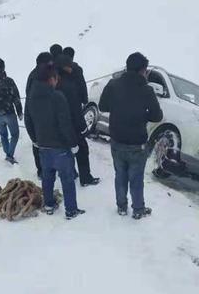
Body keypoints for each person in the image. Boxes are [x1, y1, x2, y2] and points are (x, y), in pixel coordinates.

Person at [99, 52, 163, 219]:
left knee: (120, 174)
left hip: (116, 140)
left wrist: (118, 108)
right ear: (143, 70)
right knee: (136, 178)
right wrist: (142, 115)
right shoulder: (147, 90)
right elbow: (157, 116)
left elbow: (102, 106)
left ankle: (121, 206)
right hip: (137, 143)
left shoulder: (113, 84)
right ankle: (138, 209)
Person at [24, 66, 85, 219]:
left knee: (47, 177)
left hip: (43, 145)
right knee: (67, 179)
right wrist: (72, 143)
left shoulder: (31, 97)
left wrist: (35, 139)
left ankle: (49, 204)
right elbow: (65, 123)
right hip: (60, 147)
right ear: (51, 79)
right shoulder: (57, 97)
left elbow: (28, 121)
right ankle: (71, 210)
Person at [55, 54, 100, 186]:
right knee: (82, 150)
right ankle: (85, 178)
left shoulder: (54, 82)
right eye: (69, 66)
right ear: (65, 67)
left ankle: (71, 174)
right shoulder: (68, 86)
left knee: (65, 151)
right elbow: (75, 110)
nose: (71, 68)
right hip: (73, 125)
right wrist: (83, 127)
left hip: (58, 125)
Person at [25, 52, 54, 178]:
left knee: (39, 145)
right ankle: (42, 171)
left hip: (37, 116)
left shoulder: (34, 74)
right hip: (39, 116)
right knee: (39, 146)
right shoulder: (38, 77)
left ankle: (43, 171)